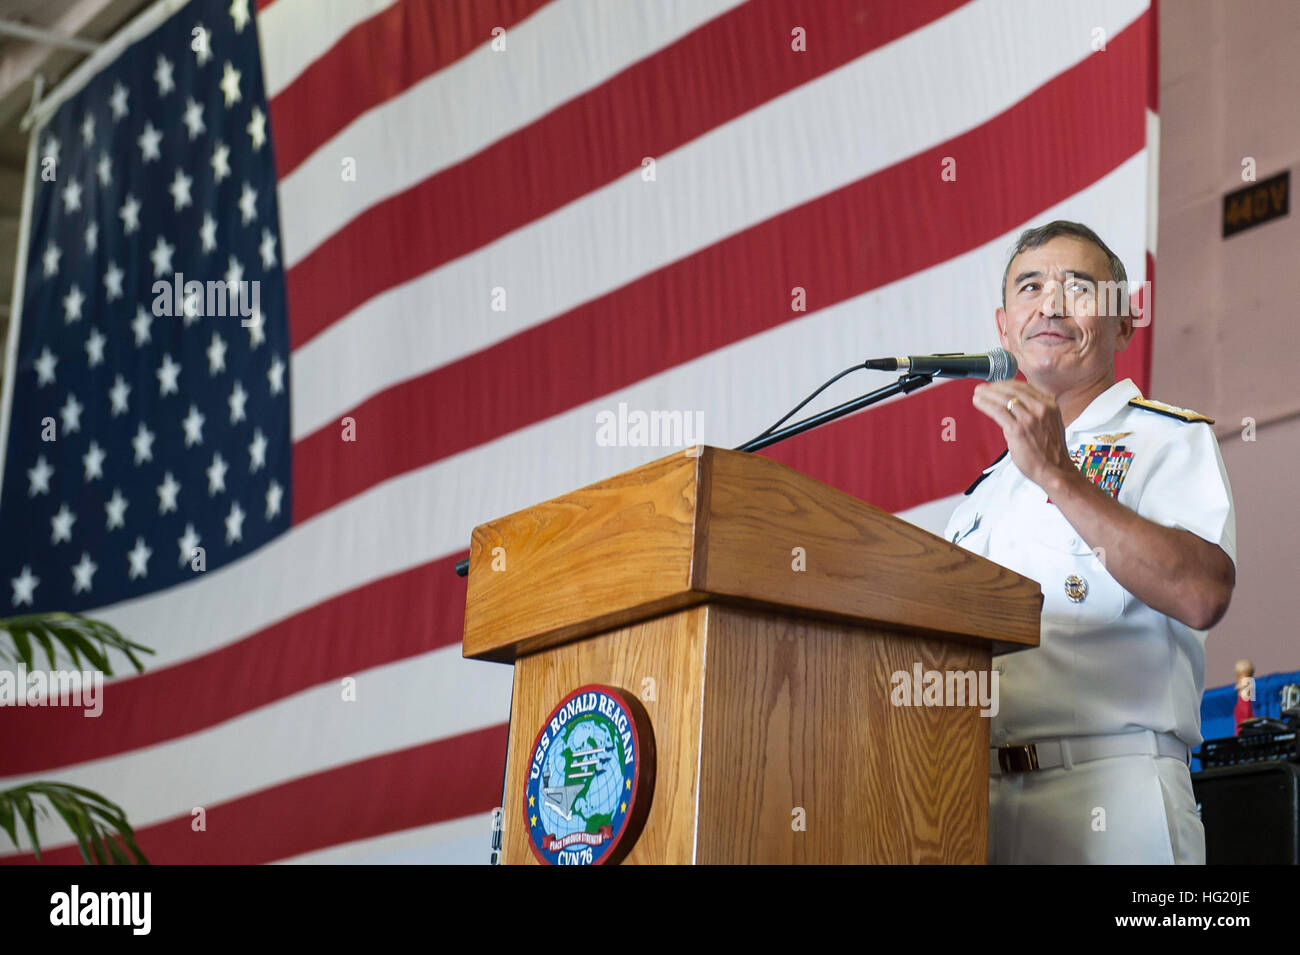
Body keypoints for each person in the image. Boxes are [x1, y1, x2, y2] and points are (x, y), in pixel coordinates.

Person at [943, 220, 1236, 864]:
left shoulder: (1165, 441)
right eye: (1030, 286)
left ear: (1125, 324)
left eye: (1079, 287)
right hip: (979, 808)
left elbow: (1200, 592)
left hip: (1118, 799)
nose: (1050, 303)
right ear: (1003, 327)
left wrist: (1058, 475)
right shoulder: (980, 496)